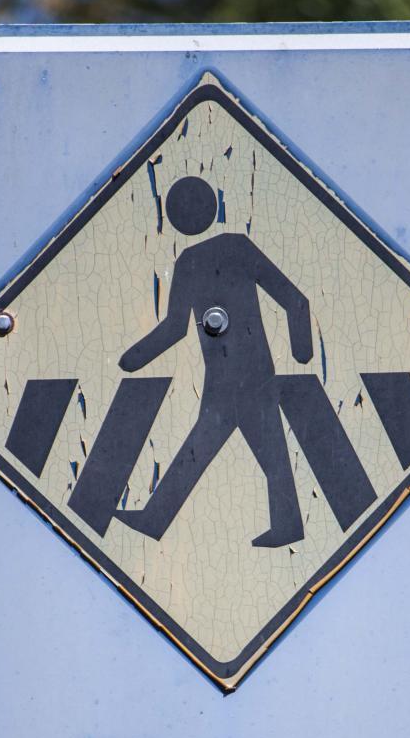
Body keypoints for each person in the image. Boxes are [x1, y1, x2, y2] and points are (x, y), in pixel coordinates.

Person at [115, 175, 313, 547]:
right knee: (218, 447)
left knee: (247, 448)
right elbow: (294, 300)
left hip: (241, 376)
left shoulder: (200, 258)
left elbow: (173, 329)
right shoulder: (223, 251)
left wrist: (132, 358)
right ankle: (157, 518)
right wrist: (131, 359)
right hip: (236, 376)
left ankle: (157, 518)